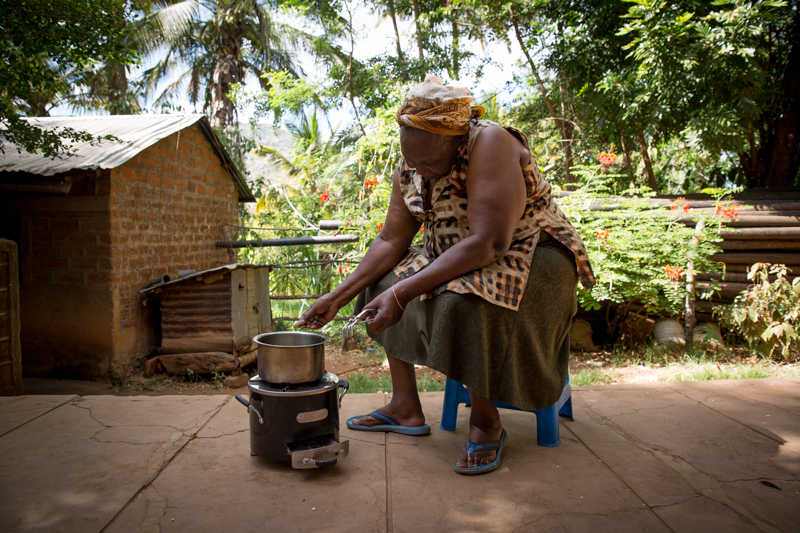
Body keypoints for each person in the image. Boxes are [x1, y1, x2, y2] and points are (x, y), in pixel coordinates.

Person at [298, 75, 595, 475]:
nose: (424, 173)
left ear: (456, 139)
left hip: (532, 253)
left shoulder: (491, 143)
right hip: (455, 251)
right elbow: (390, 239)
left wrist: (404, 294)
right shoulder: (416, 156)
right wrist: (335, 298)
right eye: (415, 163)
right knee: (377, 284)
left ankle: (487, 424)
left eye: (432, 164)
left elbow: (489, 243)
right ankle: (405, 407)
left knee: (462, 298)